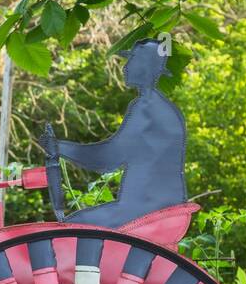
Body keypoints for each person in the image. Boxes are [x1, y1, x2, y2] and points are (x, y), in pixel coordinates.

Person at [42, 38, 188, 228]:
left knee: (70, 229)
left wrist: (60, 148)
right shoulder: (160, 108)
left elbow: (108, 158)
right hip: (160, 210)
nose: (126, 67)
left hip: (144, 213)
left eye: (133, 60)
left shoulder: (147, 109)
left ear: (145, 66)